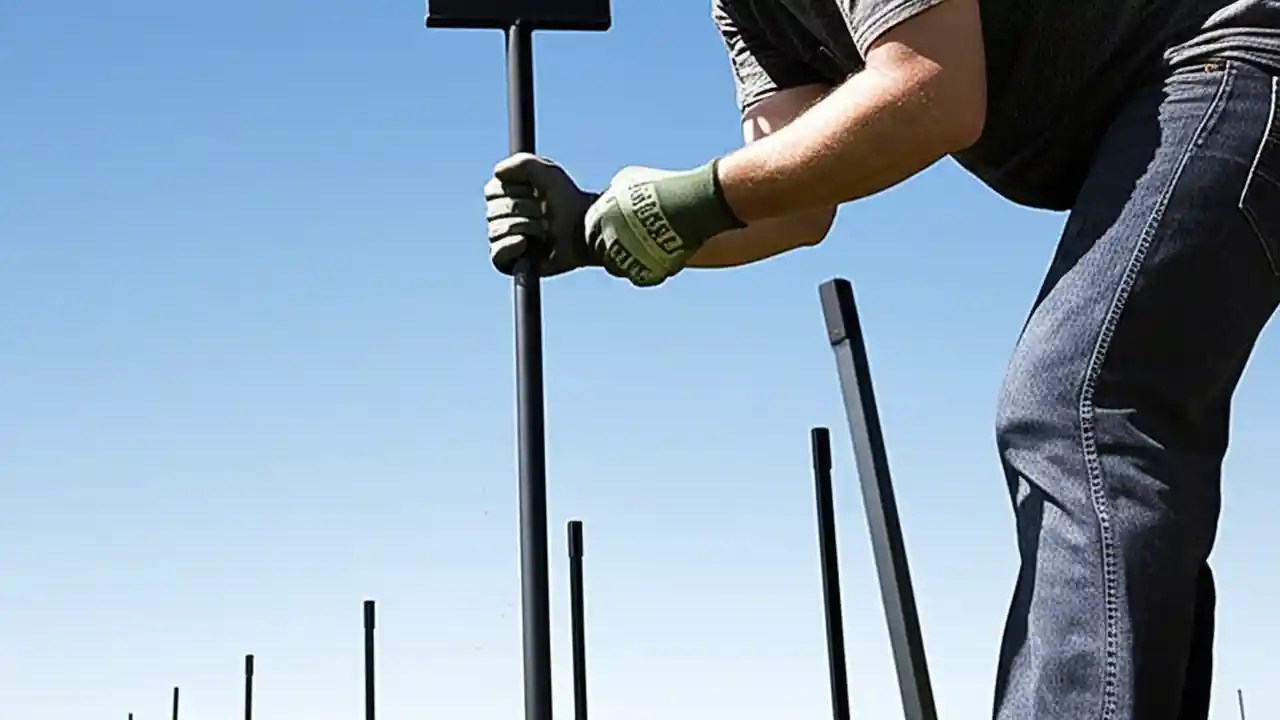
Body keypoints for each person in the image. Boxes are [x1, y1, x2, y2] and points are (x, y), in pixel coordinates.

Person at [482, 0, 1280, 717]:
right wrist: (592, 227)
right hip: (1169, 100)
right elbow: (793, 200)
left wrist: (692, 197)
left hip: (1234, 57)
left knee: (1077, 404)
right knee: (1094, 434)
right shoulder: (745, 9)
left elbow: (934, 86)